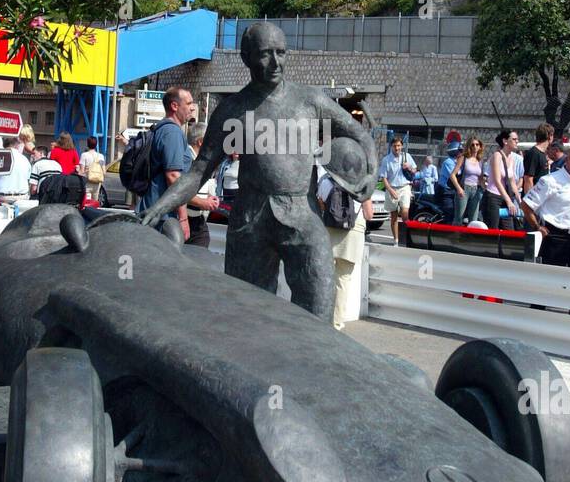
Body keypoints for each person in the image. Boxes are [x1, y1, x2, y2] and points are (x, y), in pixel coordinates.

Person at [140, 23, 377, 320]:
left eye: (282, 52)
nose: (276, 62)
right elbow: (199, 172)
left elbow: (360, 135)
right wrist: (159, 207)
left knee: (318, 306)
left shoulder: (310, 100)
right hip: (251, 220)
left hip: (302, 214)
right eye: (266, 54)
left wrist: (371, 173)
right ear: (247, 57)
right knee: (247, 316)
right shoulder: (233, 110)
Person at [317, 141, 375, 329]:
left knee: (324, 277)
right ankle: (336, 323)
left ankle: (319, 318)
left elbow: (321, 207)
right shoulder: (360, 184)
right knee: (343, 280)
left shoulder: (327, 180)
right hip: (353, 233)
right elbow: (369, 214)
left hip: (330, 232)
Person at [521, 144, 570, 269]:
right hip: (555, 236)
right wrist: (537, 227)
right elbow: (526, 205)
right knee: (552, 278)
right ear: (567, 160)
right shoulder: (549, 181)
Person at [138, 86, 196, 240]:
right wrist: (183, 218)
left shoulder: (162, 128)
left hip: (156, 210)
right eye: (189, 103)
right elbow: (174, 177)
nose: (193, 108)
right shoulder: (172, 132)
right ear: (174, 106)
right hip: (162, 216)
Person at [184, 122, 219, 248]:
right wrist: (204, 203)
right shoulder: (187, 160)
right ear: (201, 142)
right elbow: (181, 192)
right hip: (184, 219)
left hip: (196, 220)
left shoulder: (199, 162)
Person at [482, 128, 522, 230]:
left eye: (517, 139)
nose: (517, 141)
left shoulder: (512, 158)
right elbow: (497, 181)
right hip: (493, 197)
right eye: (514, 139)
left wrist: (519, 200)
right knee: (493, 229)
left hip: (505, 197)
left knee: (509, 229)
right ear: (505, 141)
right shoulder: (497, 156)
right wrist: (509, 201)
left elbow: (512, 181)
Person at [380, 135, 416, 245]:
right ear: (391, 146)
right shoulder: (386, 160)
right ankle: (396, 240)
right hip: (392, 188)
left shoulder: (407, 156)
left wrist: (409, 167)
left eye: (399, 146)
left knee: (405, 214)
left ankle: (405, 239)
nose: (397, 148)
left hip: (404, 187)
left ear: (402, 146)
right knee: (394, 217)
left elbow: (415, 170)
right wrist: (391, 191)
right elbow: (383, 178)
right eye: (395, 146)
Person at [450, 135, 485, 224]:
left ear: (480, 146)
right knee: (459, 218)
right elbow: (452, 175)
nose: (475, 147)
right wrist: (459, 189)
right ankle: (456, 237)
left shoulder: (480, 160)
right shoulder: (464, 157)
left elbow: (481, 178)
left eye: (477, 144)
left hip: (476, 189)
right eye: (472, 145)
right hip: (464, 188)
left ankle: (470, 237)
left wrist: (484, 187)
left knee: (474, 219)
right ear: (469, 146)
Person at [0, 138, 31, 205]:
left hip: (2, 197)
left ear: (3, 145)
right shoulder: (25, 159)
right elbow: (28, 178)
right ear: (17, 145)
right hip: (22, 197)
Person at [522, 123, 554, 193]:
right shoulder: (533, 153)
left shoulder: (543, 154)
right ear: (550, 136)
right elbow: (528, 179)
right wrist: (530, 201)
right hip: (534, 198)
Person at [77, 135, 106, 205]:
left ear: (87, 144)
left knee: (87, 203)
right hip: (97, 182)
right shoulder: (101, 156)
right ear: (96, 145)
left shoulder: (84, 155)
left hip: (87, 182)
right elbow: (104, 171)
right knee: (95, 202)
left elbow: (81, 172)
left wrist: (78, 170)